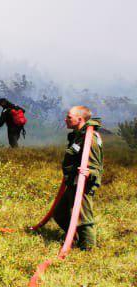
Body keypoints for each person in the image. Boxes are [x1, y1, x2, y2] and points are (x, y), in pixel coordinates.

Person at [49, 105, 103, 250]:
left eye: (69, 117)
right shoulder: (78, 135)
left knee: (84, 220)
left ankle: (88, 251)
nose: (65, 119)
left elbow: (95, 165)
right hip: (73, 182)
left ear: (79, 119)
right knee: (60, 213)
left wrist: (89, 173)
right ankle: (74, 238)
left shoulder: (89, 138)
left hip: (83, 183)